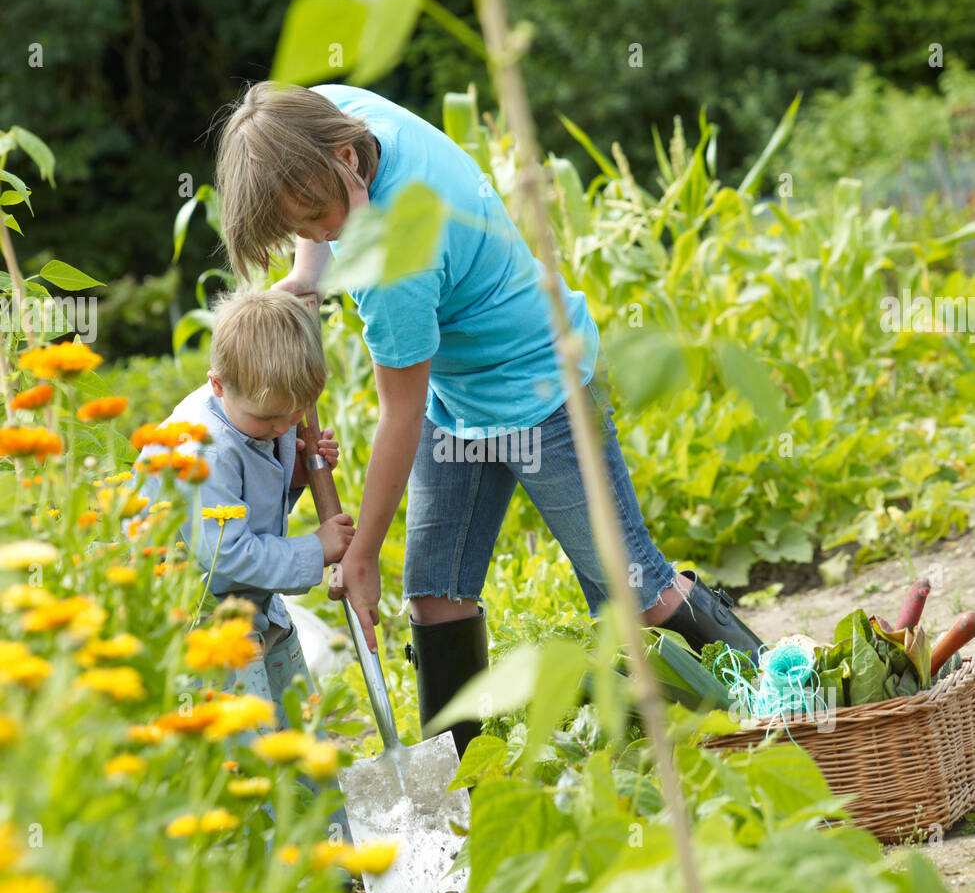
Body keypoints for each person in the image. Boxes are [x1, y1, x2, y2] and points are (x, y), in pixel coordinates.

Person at [211, 81, 762, 753]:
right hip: (459, 395)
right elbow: (325, 214)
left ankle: (778, 703)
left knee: (632, 592)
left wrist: (361, 555)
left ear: (348, 161)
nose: (320, 236)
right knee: (436, 598)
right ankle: (461, 777)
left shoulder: (395, 262)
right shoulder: (327, 112)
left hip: (539, 391)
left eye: (321, 218)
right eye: (302, 228)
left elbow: (398, 416)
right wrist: (308, 274)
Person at [135, 286, 355, 731]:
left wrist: (291, 475)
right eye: (268, 420)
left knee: (294, 716)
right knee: (247, 736)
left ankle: (307, 797)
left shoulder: (253, 406)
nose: (279, 429)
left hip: (246, 598)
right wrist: (314, 549)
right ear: (217, 384)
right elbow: (227, 554)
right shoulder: (203, 450)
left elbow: (245, 504)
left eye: (292, 417)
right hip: (200, 609)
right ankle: (260, 798)